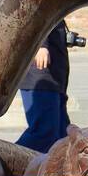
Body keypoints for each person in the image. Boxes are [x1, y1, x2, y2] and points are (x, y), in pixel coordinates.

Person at [16, 20, 74, 152]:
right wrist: (40, 44)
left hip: (55, 79)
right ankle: (5, 161)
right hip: (40, 78)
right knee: (43, 133)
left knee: (62, 137)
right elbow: (33, 13)